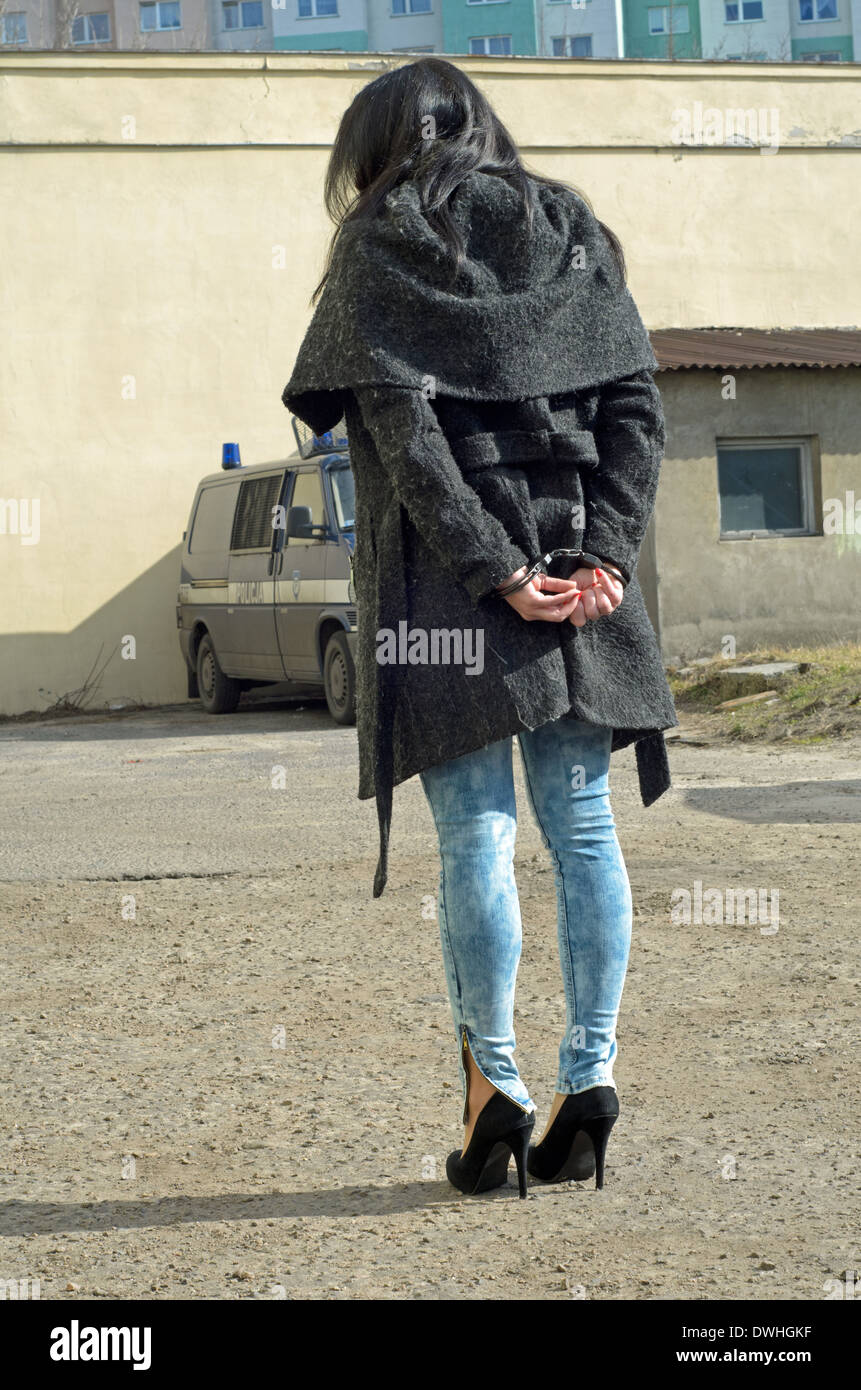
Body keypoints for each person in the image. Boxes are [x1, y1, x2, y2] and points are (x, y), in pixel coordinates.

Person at [282, 56, 679, 1199]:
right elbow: (637, 403)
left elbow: (403, 433)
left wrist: (495, 570)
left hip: (445, 592)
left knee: (477, 840)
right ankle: (589, 1083)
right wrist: (602, 553)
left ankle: (494, 1092)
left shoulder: (381, 239)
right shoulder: (572, 228)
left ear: (380, 146)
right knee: (582, 827)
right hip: (581, 583)